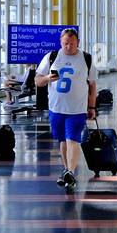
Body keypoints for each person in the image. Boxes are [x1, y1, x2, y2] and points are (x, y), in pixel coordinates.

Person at [34, 28, 98, 192]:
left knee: (73, 140)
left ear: (78, 42)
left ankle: (71, 171)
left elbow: (92, 86)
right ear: (61, 43)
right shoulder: (52, 57)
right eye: (65, 43)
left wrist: (92, 106)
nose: (68, 46)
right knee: (63, 140)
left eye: (72, 43)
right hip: (56, 108)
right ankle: (67, 170)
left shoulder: (86, 59)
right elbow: (38, 81)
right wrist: (48, 78)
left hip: (77, 109)